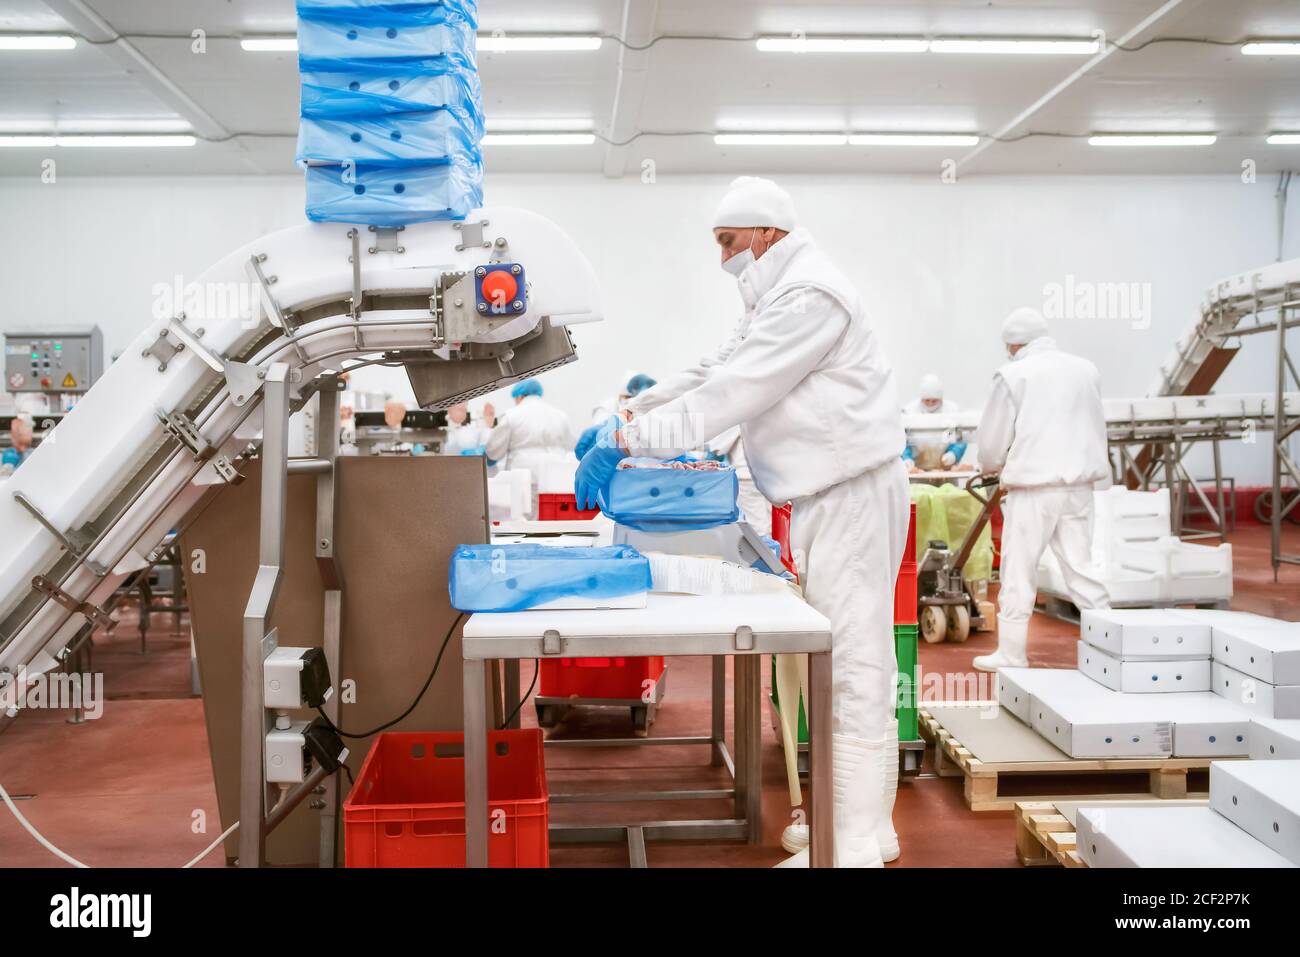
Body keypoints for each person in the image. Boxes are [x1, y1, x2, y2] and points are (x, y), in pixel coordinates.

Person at [576, 176, 910, 868]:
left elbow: (731, 395)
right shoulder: (778, 296)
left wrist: (628, 443)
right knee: (857, 663)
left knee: (853, 669)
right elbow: (711, 369)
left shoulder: (810, 295)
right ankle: (868, 834)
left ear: (765, 233)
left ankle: (847, 851)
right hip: (827, 495)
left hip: (849, 492)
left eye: (728, 243)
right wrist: (630, 415)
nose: (722, 257)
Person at [972, 307, 1111, 672]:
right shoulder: (1086, 369)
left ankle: (1012, 654)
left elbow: (991, 440)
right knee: (1081, 568)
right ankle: (1116, 650)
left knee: (1019, 571)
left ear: (1013, 343)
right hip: (1079, 487)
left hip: (1033, 488)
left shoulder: (1013, 375)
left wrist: (989, 466)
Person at [485, 379, 573, 512]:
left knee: (525, 522)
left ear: (519, 396)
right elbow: (570, 447)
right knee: (552, 521)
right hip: (555, 478)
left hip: (524, 477)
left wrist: (485, 452)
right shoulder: (560, 415)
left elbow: (493, 451)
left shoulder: (511, 415)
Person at [576, 374, 657, 460]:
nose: (632, 401)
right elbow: (603, 428)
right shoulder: (607, 406)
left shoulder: (653, 414)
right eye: (628, 397)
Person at [901, 373, 969, 471]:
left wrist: (953, 454)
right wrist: (906, 459)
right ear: (921, 399)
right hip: (917, 471)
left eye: (934, 401)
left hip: (945, 470)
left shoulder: (952, 411)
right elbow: (901, 440)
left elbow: (961, 437)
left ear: (941, 399)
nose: (930, 404)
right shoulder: (908, 412)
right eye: (927, 401)